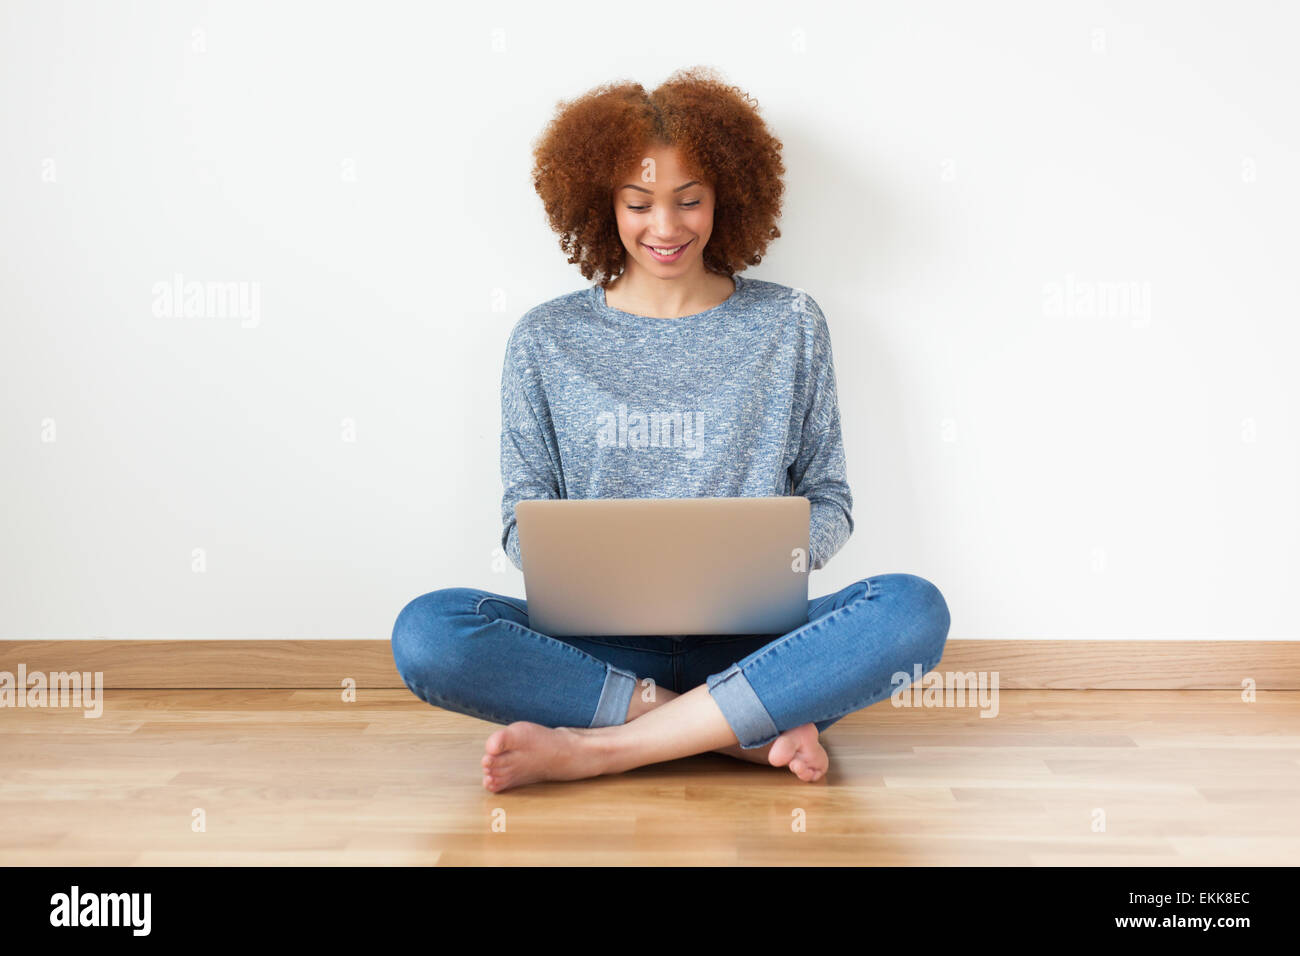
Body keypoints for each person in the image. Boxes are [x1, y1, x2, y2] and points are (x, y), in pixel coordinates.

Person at [391, 66, 950, 793]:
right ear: (601, 205)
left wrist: (775, 555)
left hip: (760, 648)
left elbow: (830, 497)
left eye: (689, 201)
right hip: (595, 654)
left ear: (727, 198)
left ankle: (602, 749)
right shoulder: (544, 340)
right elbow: (518, 518)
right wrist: (582, 563)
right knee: (428, 633)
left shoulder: (790, 324)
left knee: (913, 612)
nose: (666, 227)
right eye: (639, 203)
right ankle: (732, 734)